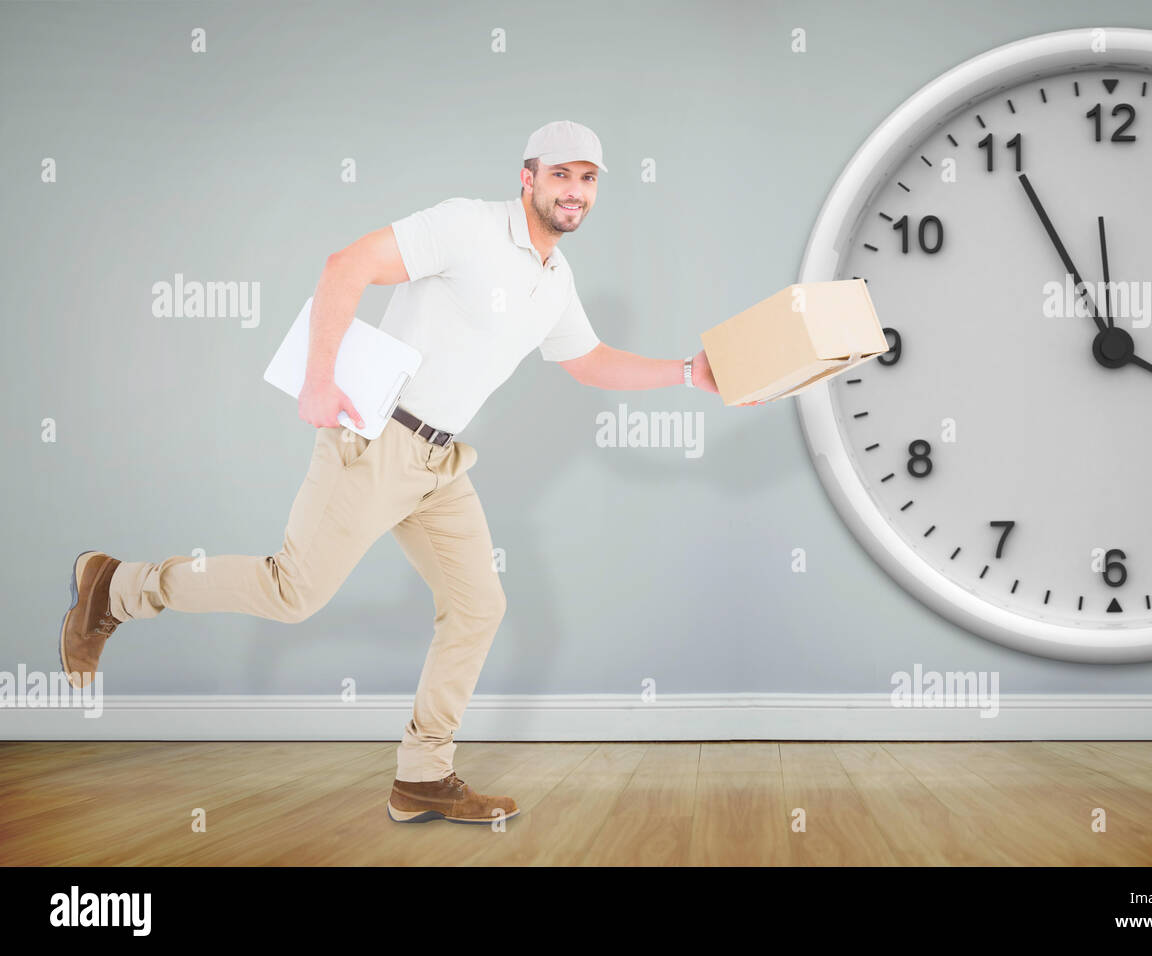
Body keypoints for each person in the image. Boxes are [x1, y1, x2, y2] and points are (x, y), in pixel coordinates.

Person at [57, 120, 721, 825]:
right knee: (292, 593)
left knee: (478, 606)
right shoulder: (465, 226)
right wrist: (319, 379)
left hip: (439, 462)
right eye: (561, 174)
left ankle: (423, 776)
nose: (575, 191)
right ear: (527, 177)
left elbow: (588, 361)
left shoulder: (555, 279)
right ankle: (117, 587)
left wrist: (688, 373)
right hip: (378, 437)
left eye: (588, 178)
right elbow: (347, 264)